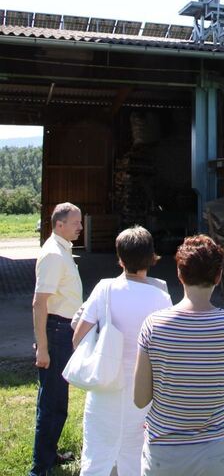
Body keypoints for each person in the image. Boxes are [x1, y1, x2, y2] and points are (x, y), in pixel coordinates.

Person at [134, 234, 224, 476]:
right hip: (217, 451)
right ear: (218, 276)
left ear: (179, 273)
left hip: (165, 452)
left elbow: (140, 398)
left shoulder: (153, 325)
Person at [73, 226, 172, 475]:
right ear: (152, 257)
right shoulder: (162, 297)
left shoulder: (104, 288)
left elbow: (78, 339)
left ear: (119, 258)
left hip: (104, 384)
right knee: (137, 457)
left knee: (96, 454)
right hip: (143, 391)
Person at [30, 202, 83, 476]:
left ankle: (49, 454)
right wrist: (43, 347)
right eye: (76, 222)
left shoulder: (62, 249)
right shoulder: (53, 254)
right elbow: (39, 304)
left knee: (57, 399)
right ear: (59, 224)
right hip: (57, 331)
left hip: (64, 331)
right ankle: (40, 466)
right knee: (52, 402)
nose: (81, 227)